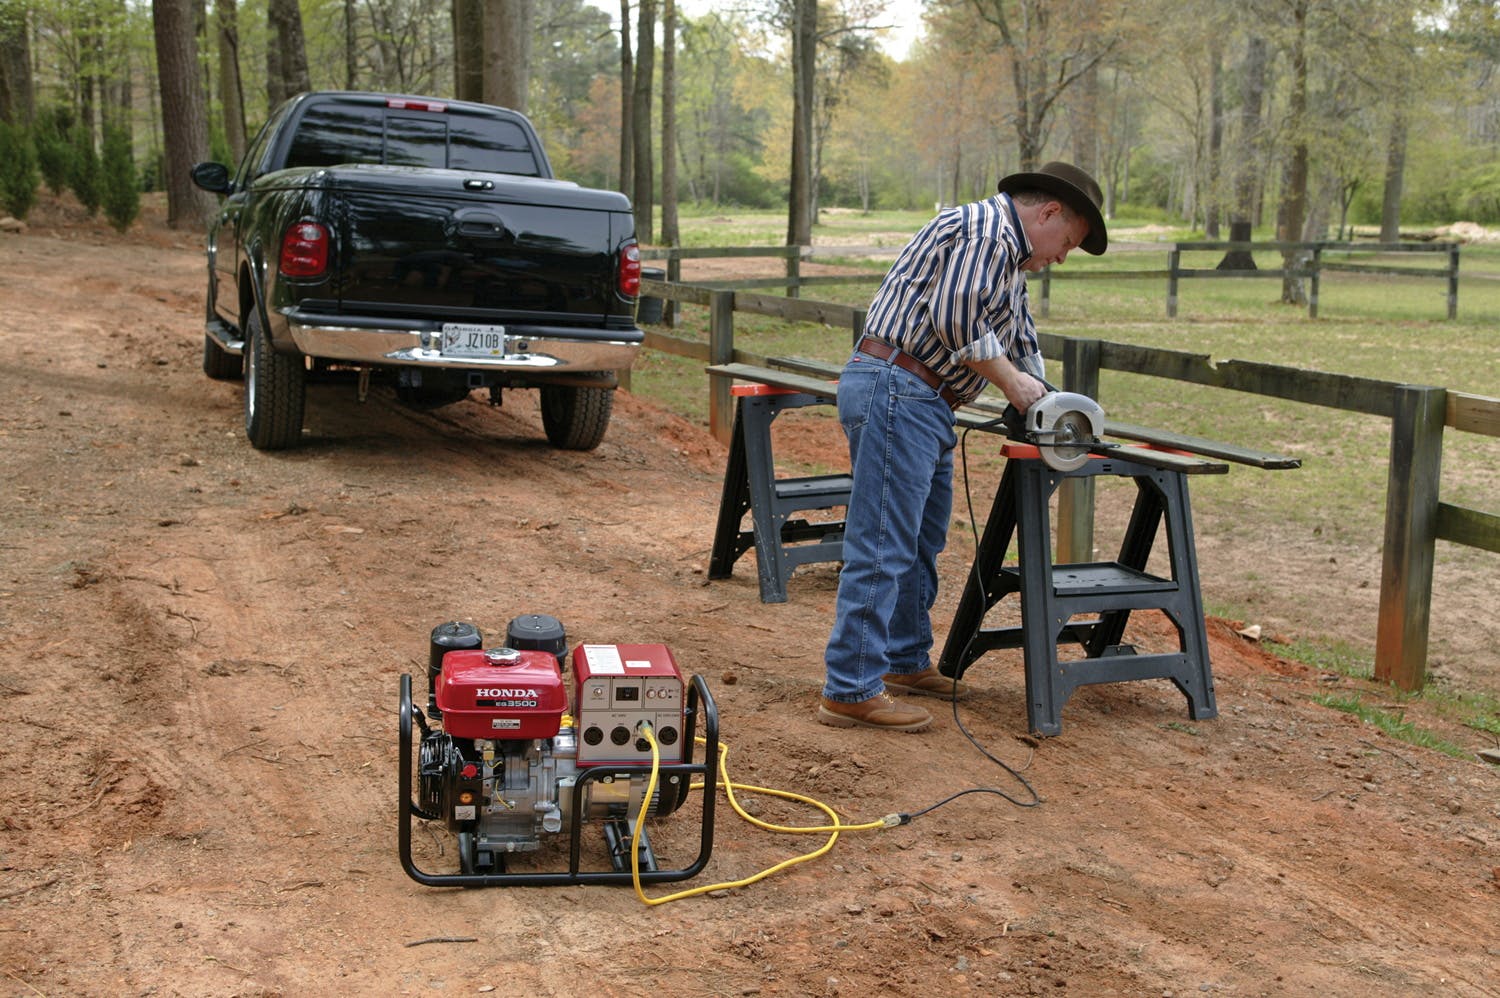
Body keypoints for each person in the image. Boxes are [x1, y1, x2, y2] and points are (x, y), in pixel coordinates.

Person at [818, 161, 1108, 732]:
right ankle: (849, 687)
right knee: (884, 540)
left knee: (921, 539)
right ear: (1047, 213)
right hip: (898, 386)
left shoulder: (1008, 262)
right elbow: (955, 318)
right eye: (1067, 242)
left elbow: (1022, 343)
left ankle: (902, 661)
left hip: (922, 398)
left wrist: (1050, 399)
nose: (1061, 257)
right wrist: (1012, 385)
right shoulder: (987, 232)